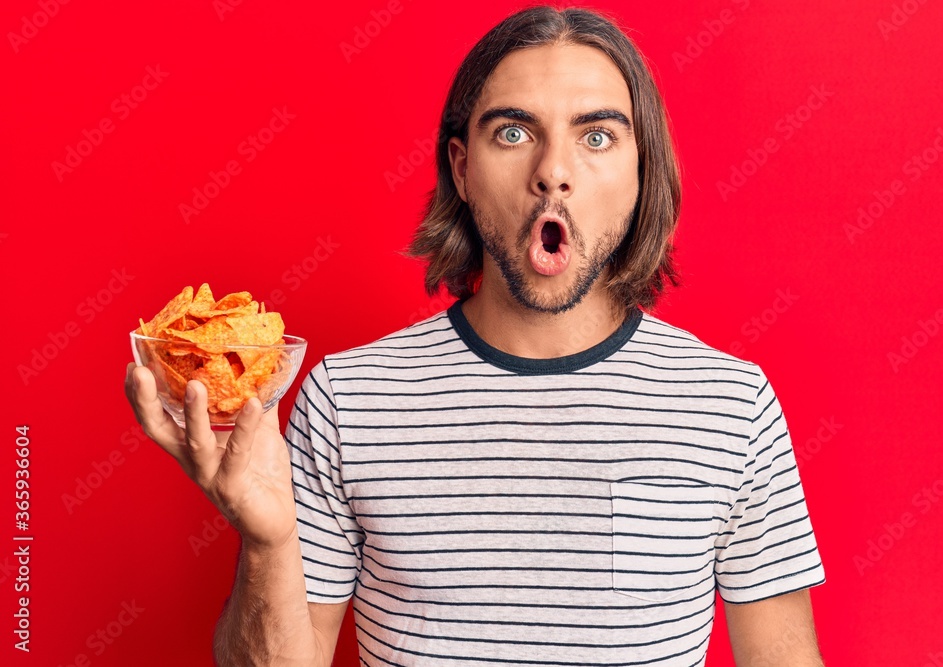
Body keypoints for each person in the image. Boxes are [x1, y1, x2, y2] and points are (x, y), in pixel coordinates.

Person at [125, 6, 826, 665]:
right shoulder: (346, 400)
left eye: (598, 135)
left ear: (642, 173)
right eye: (514, 132)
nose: (553, 171)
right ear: (461, 168)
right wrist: (267, 538)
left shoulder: (730, 405)